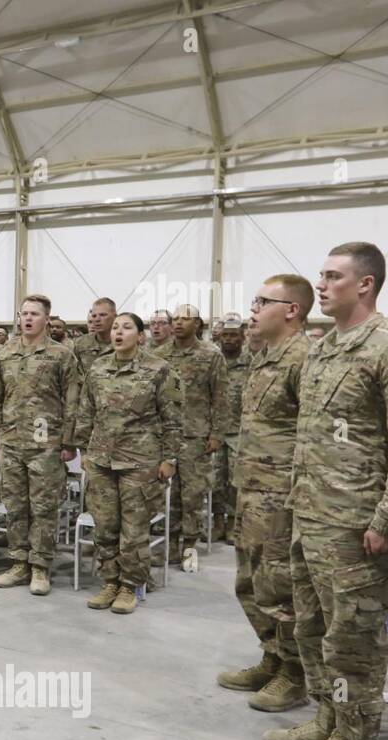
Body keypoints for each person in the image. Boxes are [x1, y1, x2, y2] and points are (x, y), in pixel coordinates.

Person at [277, 242, 388, 740]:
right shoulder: (322, 349)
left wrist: (385, 519)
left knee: (353, 636)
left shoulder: (385, 347)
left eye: (332, 276)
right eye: (319, 275)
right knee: (311, 626)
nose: (319, 285)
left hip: (355, 524)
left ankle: (353, 739)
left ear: (365, 284)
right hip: (311, 514)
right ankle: (327, 715)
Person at [215, 276, 313, 712]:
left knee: (281, 589)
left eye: (262, 302)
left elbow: (313, 435)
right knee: (249, 584)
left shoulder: (304, 358)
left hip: (282, 496)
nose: (252, 310)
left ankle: (295, 673)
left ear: (291, 310)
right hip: (251, 489)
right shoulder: (264, 356)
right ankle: (272, 657)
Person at [74, 313, 180, 613]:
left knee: (133, 529)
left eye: (127, 328)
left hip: (140, 461)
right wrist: (84, 451)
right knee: (106, 525)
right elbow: (86, 411)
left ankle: (129, 585)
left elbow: (172, 418)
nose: (119, 332)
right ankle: (109, 579)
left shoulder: (159, 369)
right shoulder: (98, 368)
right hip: (101, 459)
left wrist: (169, 458)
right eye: (116, 328)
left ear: (141, 335)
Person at [0, 295, 79, 595]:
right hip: (12, 441)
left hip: (46, 444)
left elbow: (72, 400)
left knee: (43, 507)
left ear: (47, 320)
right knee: (15, 505)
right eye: (23, 313)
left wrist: (69, 441)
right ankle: (18, 563)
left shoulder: (61, 355)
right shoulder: (5, 353)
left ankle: (40, 567)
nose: (27, 319)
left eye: (34, 314)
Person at [155, 305, 230, 556]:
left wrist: (218, 434)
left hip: (197, 434)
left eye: (185, 319)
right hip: (167, 433)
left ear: (197, 324)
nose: (178, 323)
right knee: (170, 491)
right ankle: (172, 539)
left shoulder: (211, 355)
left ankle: (190, 542)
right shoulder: (160, 354)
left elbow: (221, 397)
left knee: (193, 492)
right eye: (174, 319)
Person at [214, 316, 251, 542]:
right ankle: (217, 521)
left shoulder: (251, 362)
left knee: (235, 480)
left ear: (242, 337)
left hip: (239, 431)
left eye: (233, 335)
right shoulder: (213, 360)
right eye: (225, 335)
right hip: (216, 430)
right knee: (215, 479)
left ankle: (232, 522)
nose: (229, 340)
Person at [73, 297, 116, 372]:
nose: (97, 319)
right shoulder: (80, 343)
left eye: (102, 315)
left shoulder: (124, 343)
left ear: (115, 317)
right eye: (94, 316)